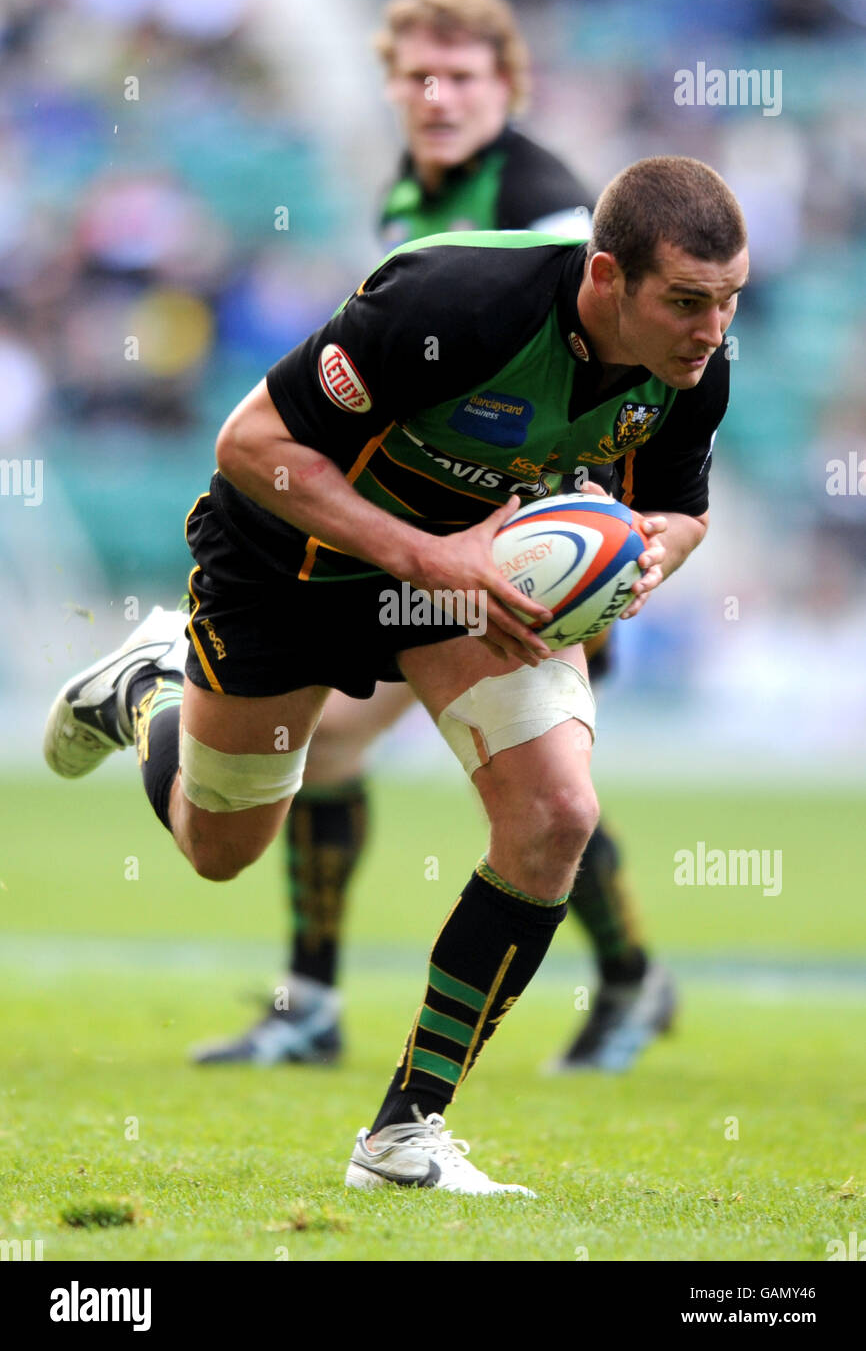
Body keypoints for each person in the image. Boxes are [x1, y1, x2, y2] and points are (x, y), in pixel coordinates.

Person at [44, 155, 748, 1193]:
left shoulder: (692, 368)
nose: (709, 329)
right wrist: (426, 556)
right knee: (219, 844)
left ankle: (403, 1132)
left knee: (555, 816)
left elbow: (679, 509)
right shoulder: (451, 301)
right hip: (293, 561)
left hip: (476, 582)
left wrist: (656, 549)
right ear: (605, 277)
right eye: (685, 302)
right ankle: (148, 685)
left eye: (728, 303)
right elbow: (250, 443)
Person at [193, 0, 675, 1074]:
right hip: (434, 547)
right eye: (417, 77)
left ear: (512, 83)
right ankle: (611, 979)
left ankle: (326, 999)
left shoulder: (551, 216)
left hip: (522, 553)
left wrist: (594, 571)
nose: (437, 97)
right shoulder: (413, 195)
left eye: (462, 77)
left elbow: (605, 393)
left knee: (500, 779)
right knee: (460, 774)